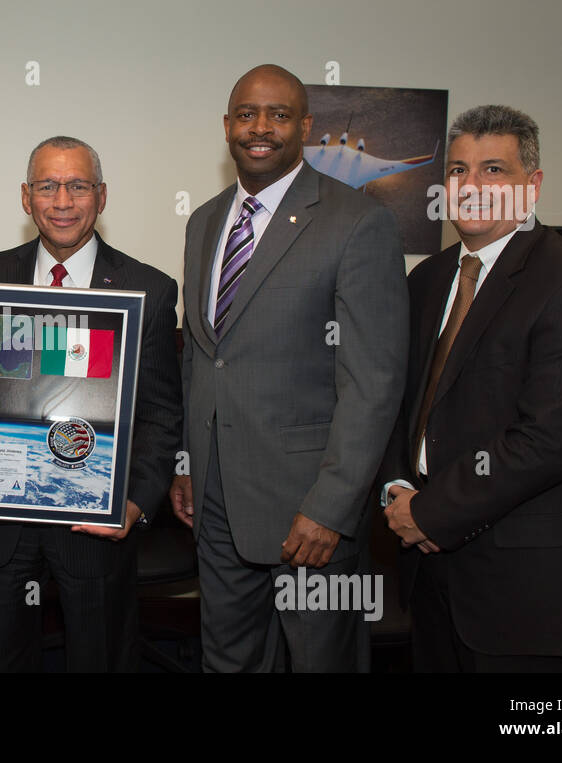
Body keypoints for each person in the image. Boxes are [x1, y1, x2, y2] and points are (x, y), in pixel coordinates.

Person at [169, 65, 408, 672]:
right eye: (247, 113)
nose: (261, 128)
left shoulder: (357, 222)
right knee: (227, 659)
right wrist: (187, 465)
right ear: (226, 126)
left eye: (279, 115)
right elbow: (203, 357)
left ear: (304, 126)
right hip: (216, 502)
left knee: (318, 662)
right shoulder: (204, 221)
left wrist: (330, 505)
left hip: (307, 507)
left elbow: (373, 382)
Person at [379, 105, 562, 672]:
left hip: (526, 587)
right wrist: (397, 488)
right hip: (430, 571)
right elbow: (405, 405)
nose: (470, 186)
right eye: (459, 170)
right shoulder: (429, 278)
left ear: (532, 185)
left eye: (493, 170)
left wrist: (434, 512)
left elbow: (550, 440)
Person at [0, 136, 182, 671]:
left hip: (96, 528)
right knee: (1, 658)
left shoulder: (148, 289)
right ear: (25, 196)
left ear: (101, 196)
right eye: (47, 185)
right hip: (1, 523)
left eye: (78, 185)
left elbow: (160, 412)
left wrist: (134, 502)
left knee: (100, 658)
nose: (62, 200)